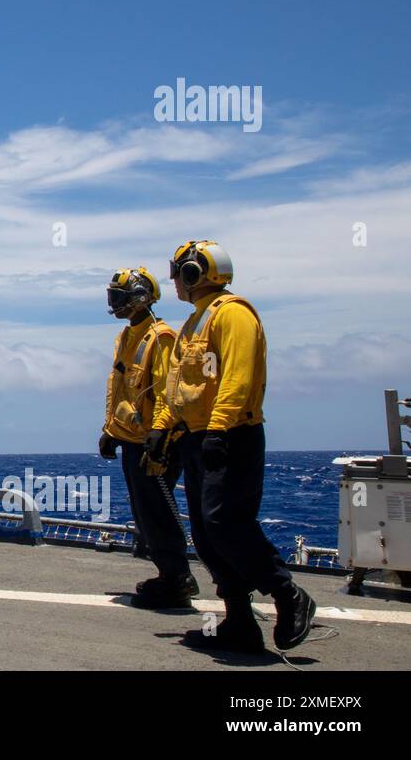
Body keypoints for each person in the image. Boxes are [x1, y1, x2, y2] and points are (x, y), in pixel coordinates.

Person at [149, 240, 315, 653]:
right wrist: (163, 431)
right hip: (197, 437)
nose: (174, 282)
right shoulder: (193, 325)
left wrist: (218, 431)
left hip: (230, 436)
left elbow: (236, 380)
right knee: (206, 534)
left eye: (178, 273)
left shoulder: (233, 315)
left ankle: (288, 593)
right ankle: (239, 621)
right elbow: (180, 389)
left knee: (225, 522)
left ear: (193, 273)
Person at [98, 267, 199, 608]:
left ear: (140, 298)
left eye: (120, 297)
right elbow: (121, 389)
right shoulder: (127, 338)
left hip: (154, 442)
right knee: (144, 511)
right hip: (131, 439)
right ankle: (171, 574)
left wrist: (159, 432)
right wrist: (110, 430)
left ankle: (177, 578)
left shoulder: (161, 337)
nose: (116, 304)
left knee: (157, 510)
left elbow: (168, 391)